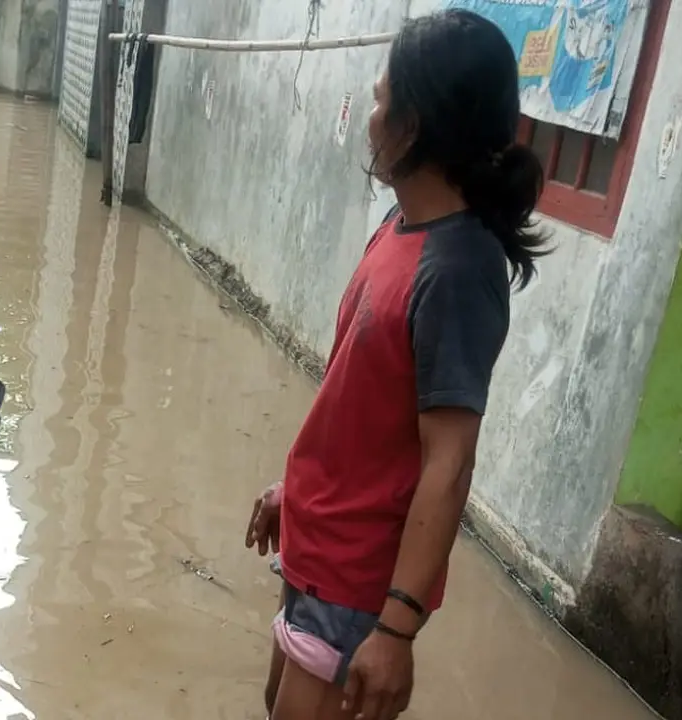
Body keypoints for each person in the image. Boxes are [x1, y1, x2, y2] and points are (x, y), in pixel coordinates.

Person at [245, 10, 548, 720]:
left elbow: (449, 459)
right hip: (319, 546)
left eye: (380, 101)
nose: (369, 117)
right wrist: (298, 489)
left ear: (415, 125)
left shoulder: (458, 269)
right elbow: (362, 397)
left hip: (360, 583)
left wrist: (396, 628)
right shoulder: (400, 224)